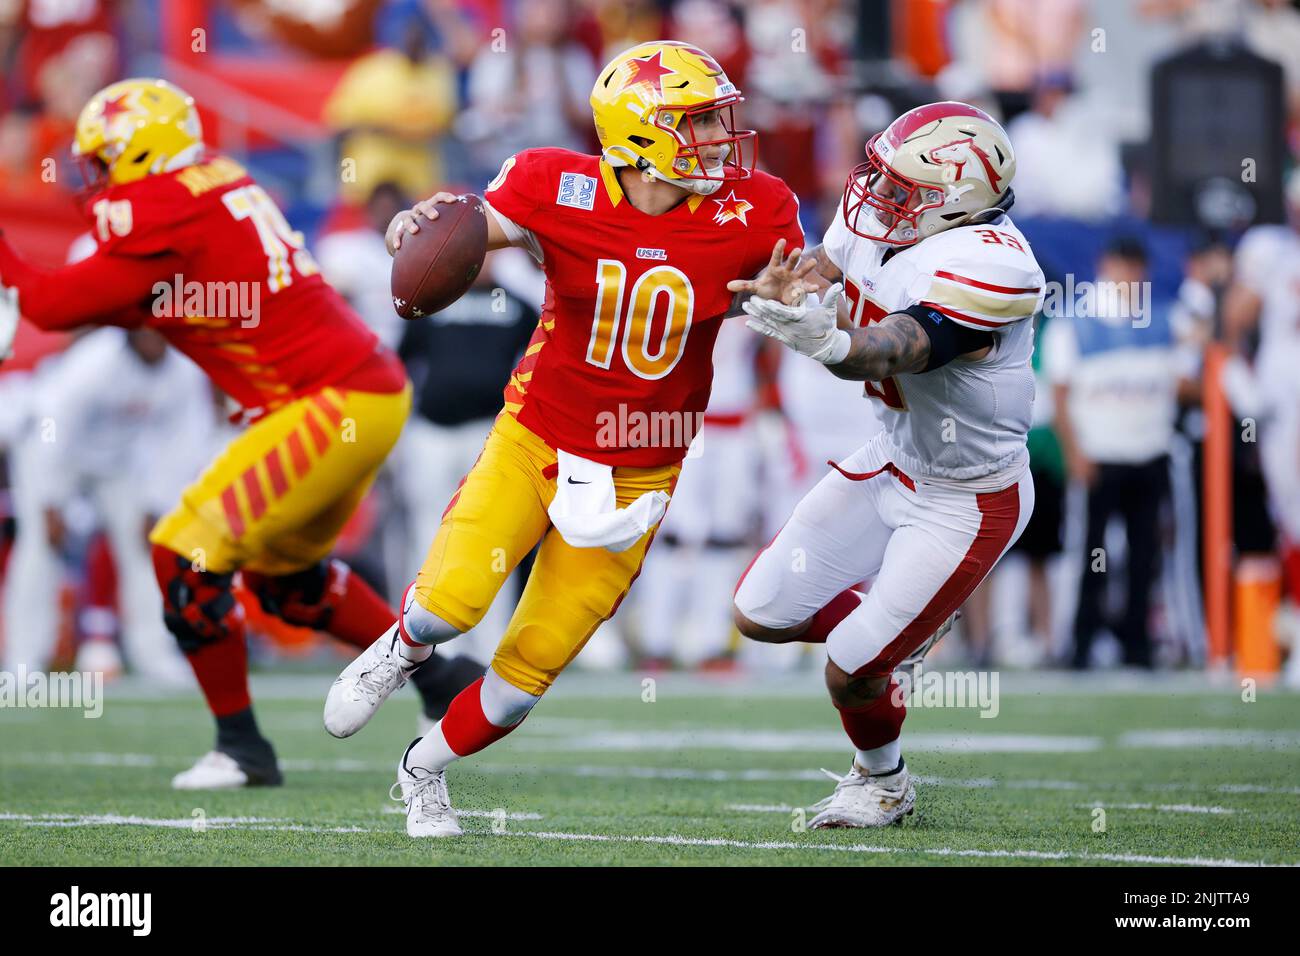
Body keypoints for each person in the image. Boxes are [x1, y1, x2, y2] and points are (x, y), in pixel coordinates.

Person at [323, 41, 804, 838]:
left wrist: (805, 296)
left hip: (641, 471)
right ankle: (400, 649)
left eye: (720, 118)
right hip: (537, 437)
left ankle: (421, 768)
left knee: (521, 684)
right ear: (642, 135)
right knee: (449, 605)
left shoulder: (756, 209)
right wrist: (422, 220)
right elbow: (468, 230)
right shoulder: (556, 183)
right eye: (698, 122)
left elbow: (806, 279)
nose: (721, 138)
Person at [0, 78, 475, 789]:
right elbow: (152, 297)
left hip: (327, 401)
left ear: (140, 152)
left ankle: (242, 748)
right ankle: (443, 681)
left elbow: (51, 302)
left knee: (182, 553)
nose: (93, 179)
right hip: (356, 397)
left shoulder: (162, 204)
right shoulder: (210, 182)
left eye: (103, 161)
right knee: (287, 582)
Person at [731, 102, 1043, 827]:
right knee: (760, 613)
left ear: (955, 203)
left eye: (900, 188)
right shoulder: (885, 219)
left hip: (967, 497)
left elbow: (898, 346)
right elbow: (823, 269)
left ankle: (884, 782)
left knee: (850, 668)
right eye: (878, 174)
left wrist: (829, 343)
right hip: (892, 459)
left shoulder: (995, 266)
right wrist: (796, 288)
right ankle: (900, 630)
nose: (875, 194)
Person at [1044, 237, 1192, 669]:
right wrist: (1075, 453)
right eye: (1122, 267)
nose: (1129, 277)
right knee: (1090, 554)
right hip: (1100, 454)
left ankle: (1138, 645)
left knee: (1145, 555)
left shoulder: (1165, 319)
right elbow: (1060, 395)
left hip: (1149, 452)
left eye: (1135, 268)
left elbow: (1186, 381)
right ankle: (1082, 642)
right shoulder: (1075, 320)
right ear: (1105, 265)